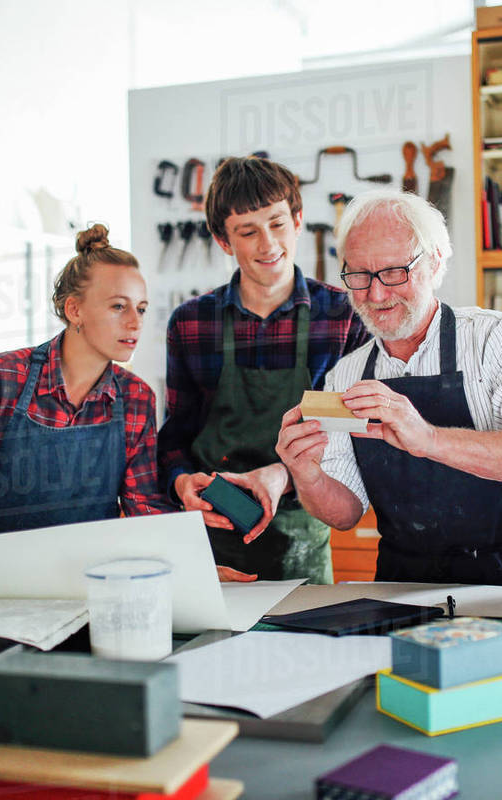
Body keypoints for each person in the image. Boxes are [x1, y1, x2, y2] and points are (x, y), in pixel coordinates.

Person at [276, 189, 502, 587]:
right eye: (359, 275)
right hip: (401, 581)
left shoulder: (495, 339)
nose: (375, 294)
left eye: (395, 272)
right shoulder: (346, 375)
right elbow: (344, 514)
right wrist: (306, 475)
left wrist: (427, 438)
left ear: (434, 261)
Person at [158, 156, 370, 584]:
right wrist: (181, 483)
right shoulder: (192, 323)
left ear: (298, 219)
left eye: (276, 223)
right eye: (247, 231)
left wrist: (284, 475)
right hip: (212, 545)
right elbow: (176, 435)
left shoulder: (344, 317)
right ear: (223, 240)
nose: (267, 244)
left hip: (303, 542)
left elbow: (353, 438)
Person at [0, 224, 170, 536]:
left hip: (95, 574)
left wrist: (193, 560)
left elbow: (144, 504)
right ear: (74, 309)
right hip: (6, 579)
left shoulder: (137, 398)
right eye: (118, 306)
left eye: (141, 309)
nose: (134, 322)